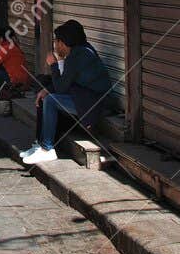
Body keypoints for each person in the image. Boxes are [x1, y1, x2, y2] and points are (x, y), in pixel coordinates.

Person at [23, 20, 114, 165]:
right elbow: (64, 82)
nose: (55, 45)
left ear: (63, 43)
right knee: (45, 94)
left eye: (56, 41)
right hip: (83, 97)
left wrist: (54, 64)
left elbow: (61, 87)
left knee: (50, 100)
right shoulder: (79, 51)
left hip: (94, 103)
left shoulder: (78, 56)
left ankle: (47, 149)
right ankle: (40, 143)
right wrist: (46, 90)